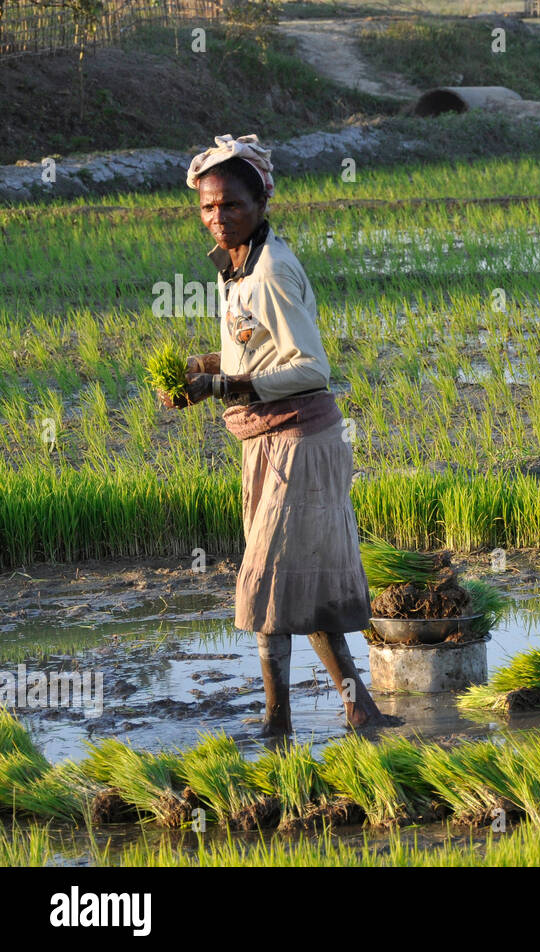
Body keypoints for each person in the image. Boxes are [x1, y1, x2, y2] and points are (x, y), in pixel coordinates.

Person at [158, 134, 390, 736]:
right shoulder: (236, 268)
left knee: (269, 582)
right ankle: (355, 707)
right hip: (265, 441)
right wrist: (202, 371)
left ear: (260, 201)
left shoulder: (272, 270)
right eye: (208, 207)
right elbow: (254, 354)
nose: (217, 217)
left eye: (230, 205)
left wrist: (220, 389)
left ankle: (276, 721)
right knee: (296, 583)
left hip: (300, 444)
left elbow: (311, 367)